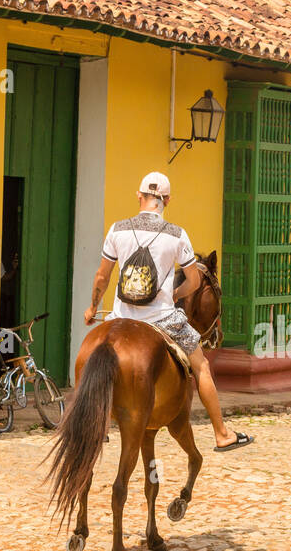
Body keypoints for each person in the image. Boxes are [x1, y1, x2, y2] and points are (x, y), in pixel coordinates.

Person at [84, 172, 252, 452]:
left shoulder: (117, 230)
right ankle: (222, 433)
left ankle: (97, 423)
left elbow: (102, 277)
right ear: (167, 200)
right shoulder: (177, 234)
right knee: (202, 366)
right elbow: (195, 281)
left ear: (139, 197)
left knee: (92, 355)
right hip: (163, 320)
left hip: (121, 317)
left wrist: (92, 307)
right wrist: (176, 294)